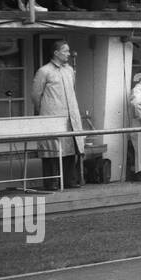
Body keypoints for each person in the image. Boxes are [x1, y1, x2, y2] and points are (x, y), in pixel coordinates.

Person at [30, 39, 84, 190]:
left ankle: (69, 180)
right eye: (65, 51)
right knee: (52, 148)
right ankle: (52, 181)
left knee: (70, 146)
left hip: (70, 114)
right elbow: (35, 94)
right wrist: (44, 110)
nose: (68, 53)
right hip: (52, 114)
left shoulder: (69, 70)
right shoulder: (44, 71)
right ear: (56, 53)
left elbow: (72, 89)